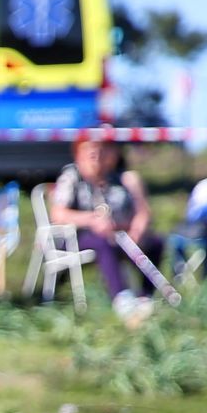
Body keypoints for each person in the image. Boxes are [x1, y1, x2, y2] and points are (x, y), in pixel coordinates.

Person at [49, 135, 158, 323]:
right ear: (78, 153)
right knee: (103, 244)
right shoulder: (72, 177)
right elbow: (58, 214)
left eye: (100, 149)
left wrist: (136, 228)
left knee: (155, 242)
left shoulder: (120, 179)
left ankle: (145, 298)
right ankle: (123, 300)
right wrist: (91, 220)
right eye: (89, 149)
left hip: (119, 234)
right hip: (79, 237)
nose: (95, 154)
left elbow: (140, 212)